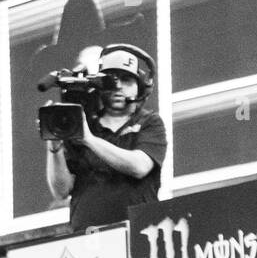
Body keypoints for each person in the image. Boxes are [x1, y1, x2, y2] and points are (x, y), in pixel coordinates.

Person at [45, 43, 167, 232]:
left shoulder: (150, 122)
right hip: (87, 241)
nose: (118, 87)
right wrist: (54, 147)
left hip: (137, 235)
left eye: (127, 80)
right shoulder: (83, 123)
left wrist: (89, 140)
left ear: (140, 87)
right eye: (111, 80)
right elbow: (61, 191)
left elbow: (139, 166)